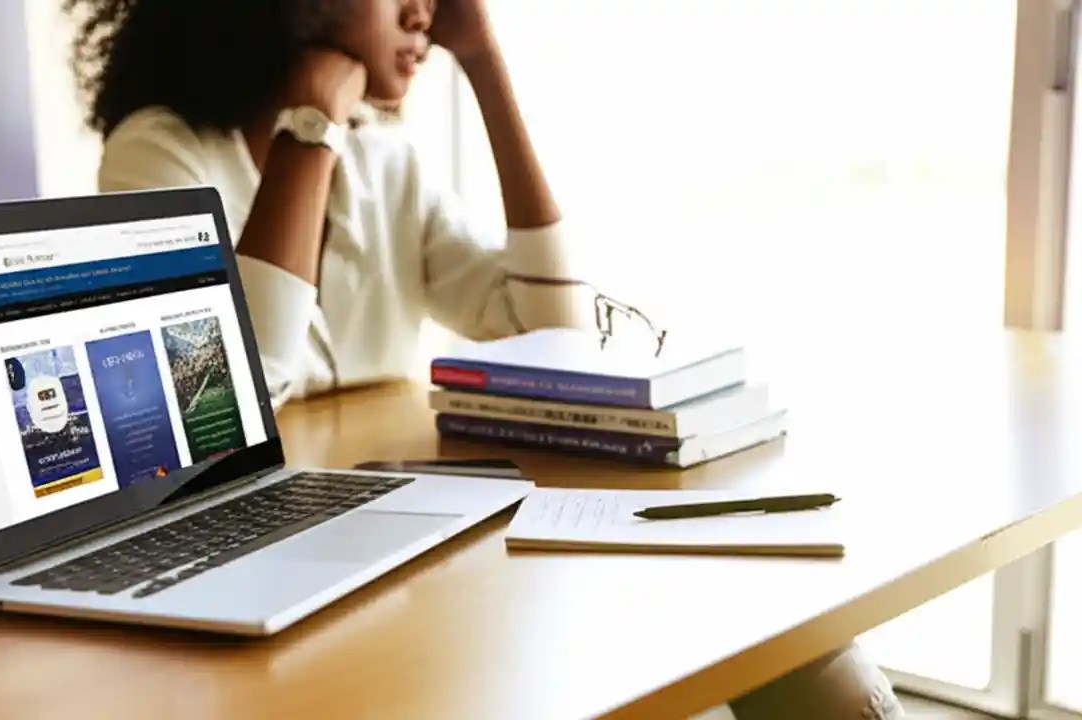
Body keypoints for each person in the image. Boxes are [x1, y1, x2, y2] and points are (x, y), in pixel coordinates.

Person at [64, 1, 907, 717]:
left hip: (391, 531)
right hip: (255, 563)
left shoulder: (383, 163)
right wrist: (311, 124)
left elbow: (548, 324)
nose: (423, 9)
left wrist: (486, 63)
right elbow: (230, 394)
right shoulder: (158, 153)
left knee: (795, 651)